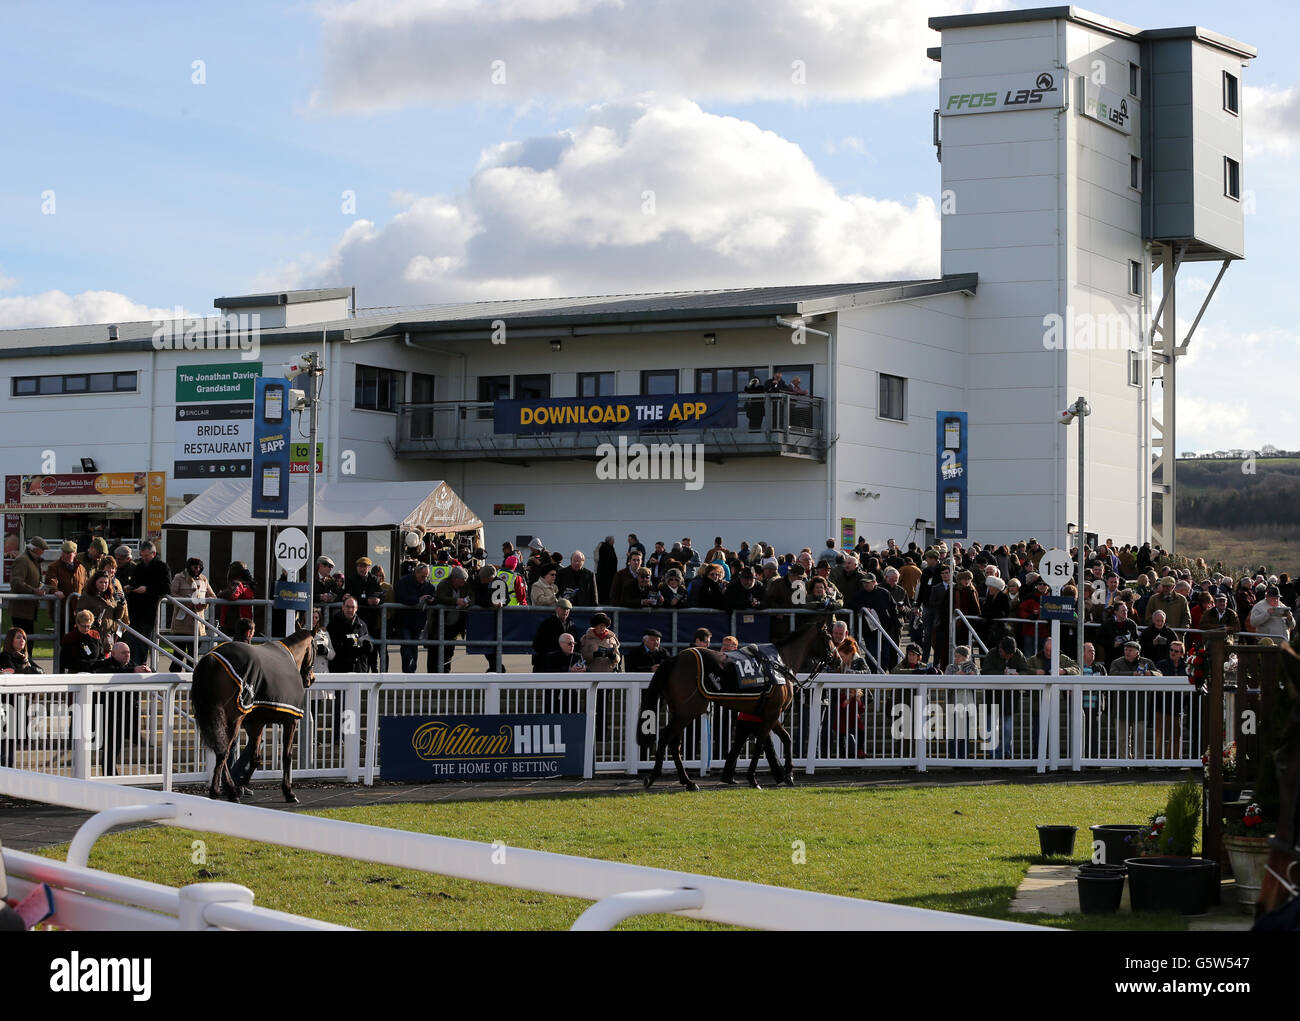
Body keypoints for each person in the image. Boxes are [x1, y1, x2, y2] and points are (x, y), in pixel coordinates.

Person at [125, 539, 170, 664]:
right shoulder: (139, 567)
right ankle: (133, 664)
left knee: (144, 640)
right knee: (133, 640)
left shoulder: (162, 567)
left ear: (153, 554)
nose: (143, 558)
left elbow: (166, 587)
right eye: (142, 555)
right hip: (134, 609)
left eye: (146, 555)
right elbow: (134, 582)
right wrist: (130, 588)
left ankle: (142, 664)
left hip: (149, 609)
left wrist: (148, 589)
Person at [168, 557, 215, 672]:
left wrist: (203, 604)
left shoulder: (204, 579)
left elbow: (212, 596)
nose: (197, 569)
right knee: (178, 656)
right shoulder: (179, 577)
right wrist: (186, 602)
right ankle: (173, 680)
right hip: (181, 624)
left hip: (197, 625)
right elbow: (171, 594)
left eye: (199, 567)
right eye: (195, 567)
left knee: (193, 657)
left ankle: (190, 681)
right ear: (189, 566)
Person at [394, 563, 436, 673]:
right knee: (407, 647)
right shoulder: (404, 582)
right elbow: (400, 597)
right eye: (422, 576)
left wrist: (432, 600)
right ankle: (407, 671)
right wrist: (418, 600)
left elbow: (433, 593)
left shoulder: (427, 585)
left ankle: (411, 672)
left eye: (426, 576)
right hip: (404, 621)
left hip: (418, 622)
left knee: (413, 647)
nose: (424, 579)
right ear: (416, 573)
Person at [431, 565, 472, 672]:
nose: (465, 582)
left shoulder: (465, 586)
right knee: (435, 651)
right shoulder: (443, 585)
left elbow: (472, 596)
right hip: (440, 624)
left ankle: (446, 673)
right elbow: (441, 598)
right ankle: (433, 675)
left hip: (455, 625)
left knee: (449, 651)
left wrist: (468, 603)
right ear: (454, 578)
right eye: (462, 579)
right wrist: (456, 601)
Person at [9, 536, 50, 638]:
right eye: (42, 550)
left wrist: (40, 587)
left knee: (27, 641)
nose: (43, 552)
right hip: (21, 610)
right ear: (36, 549)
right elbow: (16, 582)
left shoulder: (33, 561)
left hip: (27, 610)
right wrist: (34, 591)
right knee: (23, 641)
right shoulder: (23, 560)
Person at [78, 571, 125, 658]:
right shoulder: (86, 597)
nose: (103, 585)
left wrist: (121, 604)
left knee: (105, 665)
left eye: (106, 582)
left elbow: (117, 616)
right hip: (91, 636)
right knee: (92, 661)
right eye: (101, 582)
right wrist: (92, 621)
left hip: (107, 638)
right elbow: (79, 616)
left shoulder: (110, 597)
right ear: (94, 582)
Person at [44, 540, 87, 636]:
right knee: (62, 639)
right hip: (62, 611)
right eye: (63, 552)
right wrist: (55, 591)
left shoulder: (81, 568)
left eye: (68, 553)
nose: (65, 555)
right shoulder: (54, 567)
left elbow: (85, 585)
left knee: (76, 640)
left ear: (75, 553)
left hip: (78, 612)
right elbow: (51, 581)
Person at [327, 595, 372, 673]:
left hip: (358, 669)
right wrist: (348, 644)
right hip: (340, 669)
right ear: (343, 607)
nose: (350, 609)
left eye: (353, 607)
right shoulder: (333, 624)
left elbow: (367, 649)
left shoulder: (362, 625)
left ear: (356, 609)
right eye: (347, 606)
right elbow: (331, 648)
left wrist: (369, 647)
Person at [219, 562, 256, 635]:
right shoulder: (248, 585)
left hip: (235, 623)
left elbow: (232, 595)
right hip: (245, 621)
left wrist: (221, 594)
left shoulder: (238, 583)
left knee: (233, 644)